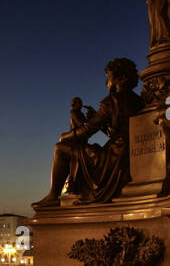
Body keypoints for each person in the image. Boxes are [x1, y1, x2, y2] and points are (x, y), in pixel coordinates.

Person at [34, 58, 142, 207]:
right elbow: (116, 133)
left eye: (109, 78)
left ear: (121, 78)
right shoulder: (138, 101)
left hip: (113, 160)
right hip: (125, 155)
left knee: (60, 148)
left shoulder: (111, 101)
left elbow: (86, 131)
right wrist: (100, 122)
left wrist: (64, 136)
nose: (107, 83)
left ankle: (53, 195)